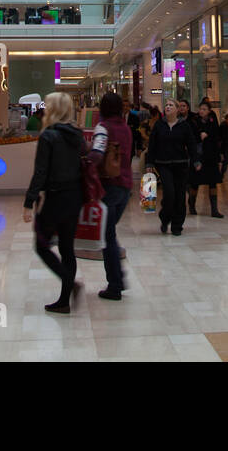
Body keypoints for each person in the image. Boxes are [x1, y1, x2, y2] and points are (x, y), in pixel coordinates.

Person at [23, 92, 86, 314]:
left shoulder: (48, 136)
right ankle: (64, 299)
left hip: (55, 197)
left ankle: (70, 284)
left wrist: (29, 201)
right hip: (75, 196)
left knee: (42, 245)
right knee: (67, 247)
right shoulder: (78, 135)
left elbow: (40, 172)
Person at [89, 92, 134, 300]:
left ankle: (115, 284)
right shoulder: (125, 128)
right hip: (125, 187)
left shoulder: (103, 128)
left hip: (108, 187)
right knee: (110, 234)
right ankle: (117, 280)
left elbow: (97, 154)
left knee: (108, 237)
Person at [147, 101, 200, 236]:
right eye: (167, 105)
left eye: (171, 105)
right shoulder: (159, 125)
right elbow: (152, 145)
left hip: (181, 164)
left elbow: (191, 144)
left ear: (177, 110)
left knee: (180, 196)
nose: (168, 107)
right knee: (169, 194)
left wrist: (196, 160)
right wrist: (149, 163)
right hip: (163, 164)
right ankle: (165, 218)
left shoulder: (184, 126)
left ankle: (177, 225)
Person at [188, 99, 225, 218]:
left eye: (204, 109)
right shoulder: (194, 122)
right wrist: (200, 138)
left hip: (211, 156)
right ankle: (192, 204)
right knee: (195, 183)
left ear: (209, 111)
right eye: (200, 109)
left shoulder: (213, 121)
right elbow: (191, 139)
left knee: (213, 182)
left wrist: (219, 156)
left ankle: (214, 209)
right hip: (199, 156)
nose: (201, 111)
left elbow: (217, 137)